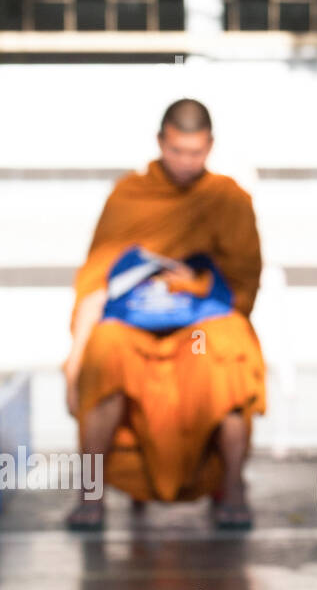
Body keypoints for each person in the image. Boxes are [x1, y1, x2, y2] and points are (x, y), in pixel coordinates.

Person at [63, 99, 265, 530]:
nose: (186, 163)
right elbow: (97, 277)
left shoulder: (226, 197)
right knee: (104, 349)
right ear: (160, 143)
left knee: (230, 345)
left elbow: (243, 281)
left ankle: (232, 485)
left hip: (197, 326)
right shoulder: (130, 194)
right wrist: (74, 361)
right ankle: (90, 494)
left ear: (209, 146)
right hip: (135, 325)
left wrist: (189, 281)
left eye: (195, 153)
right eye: (176, 151)